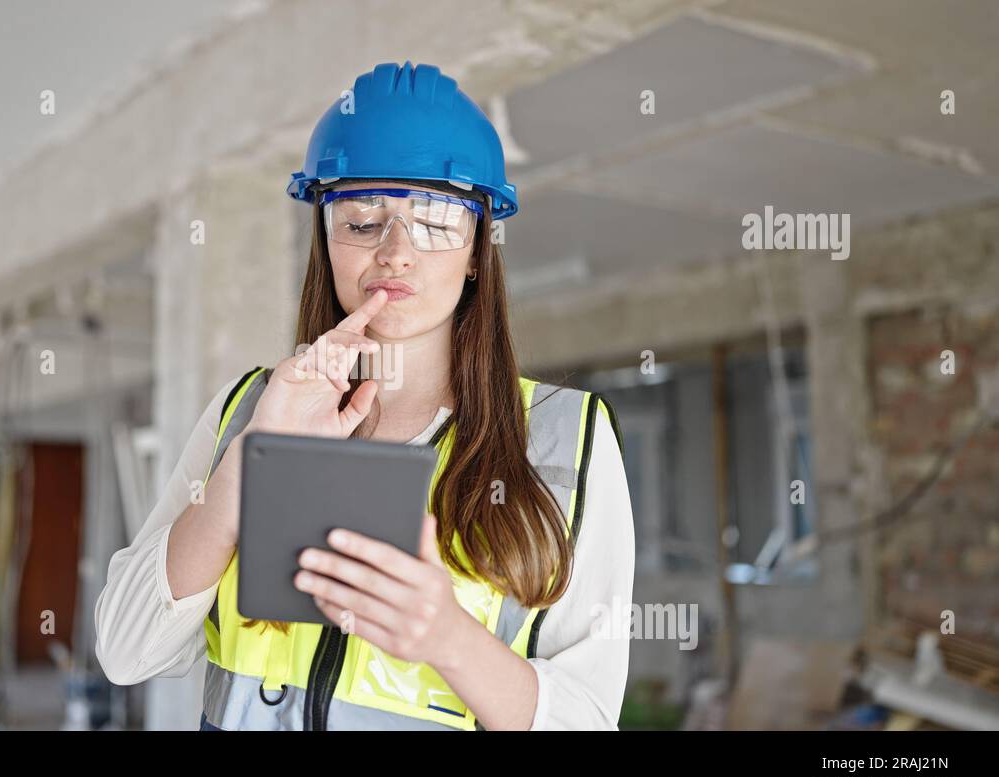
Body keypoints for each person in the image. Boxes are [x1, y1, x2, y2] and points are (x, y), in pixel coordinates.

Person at [95, 61, 634, 731]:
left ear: (477, 250)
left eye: (435, 217)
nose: (396, 251)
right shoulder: (247, 409)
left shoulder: (564, 436)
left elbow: (586, 720)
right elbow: (125, 651)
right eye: (362, 218)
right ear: (326, 238)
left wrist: (445, 635)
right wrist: (256, 458)